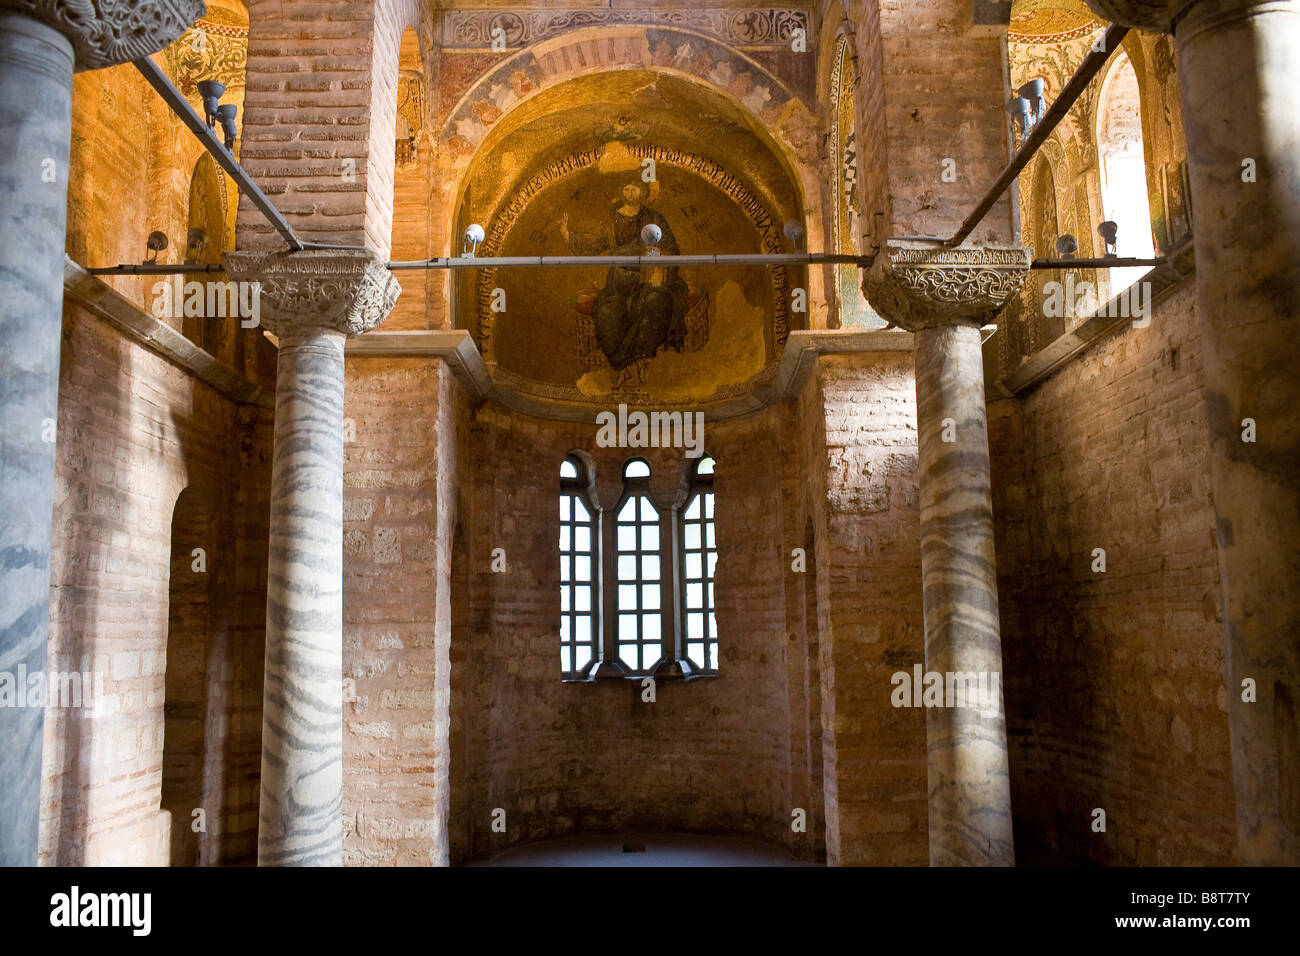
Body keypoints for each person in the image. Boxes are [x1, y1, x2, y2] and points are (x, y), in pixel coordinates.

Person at [560, 181, 689, 375]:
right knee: (605, 314)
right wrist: (569, 236)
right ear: (621, 192)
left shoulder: (654, 218)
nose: (630, 193)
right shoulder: (612, 221)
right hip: (617, 288)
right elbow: (593, 242)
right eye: (626, 189)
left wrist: (657, 260)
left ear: (643, 192)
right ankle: (624, 363)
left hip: (650, 284)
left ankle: (629, 361)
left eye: (635, 188)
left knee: (657, 304)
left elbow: (672, 249)